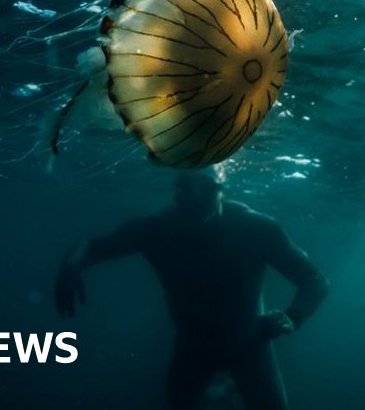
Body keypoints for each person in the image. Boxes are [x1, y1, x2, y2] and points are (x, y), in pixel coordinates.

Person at [55, 168, 330, 410]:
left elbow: (314, 280)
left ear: (221, 189)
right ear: (177, 192)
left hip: (248, 347)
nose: (194, 197)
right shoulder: (156, 230)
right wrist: (70, 267)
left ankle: (215, 395)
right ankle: (217, 395)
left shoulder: (255, 228)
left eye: (204, 188)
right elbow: (90, 247)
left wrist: (293, 316)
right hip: (197, 349)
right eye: (187, 187)